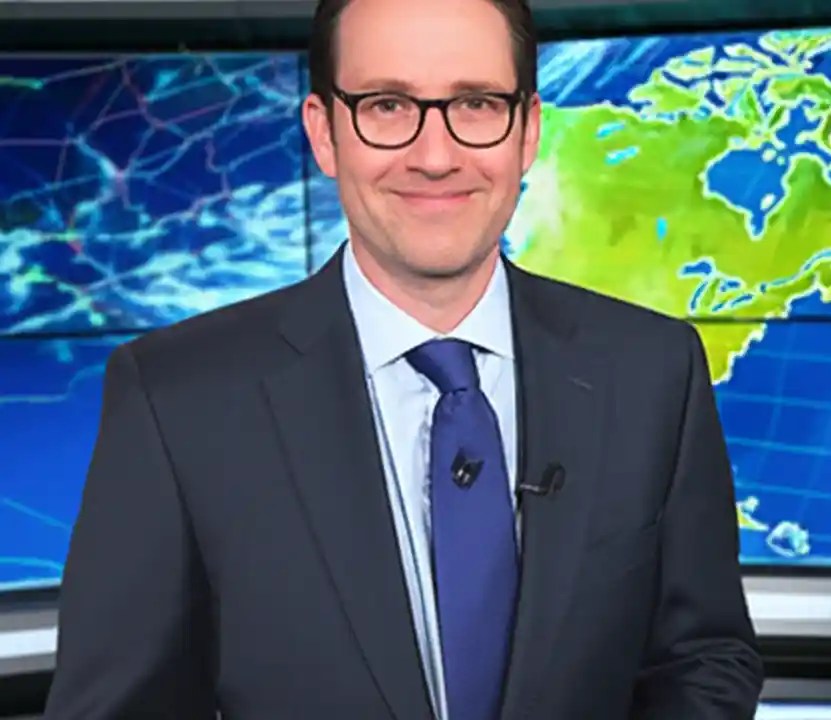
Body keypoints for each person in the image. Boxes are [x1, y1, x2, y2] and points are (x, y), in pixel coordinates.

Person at [42, 0, 765, 716]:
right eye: (388, 106)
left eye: (476, 104)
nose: (435, 155)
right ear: (324, 134)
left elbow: (701, 660)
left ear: (528, 129)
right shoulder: (176, 400)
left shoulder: (653, 372)